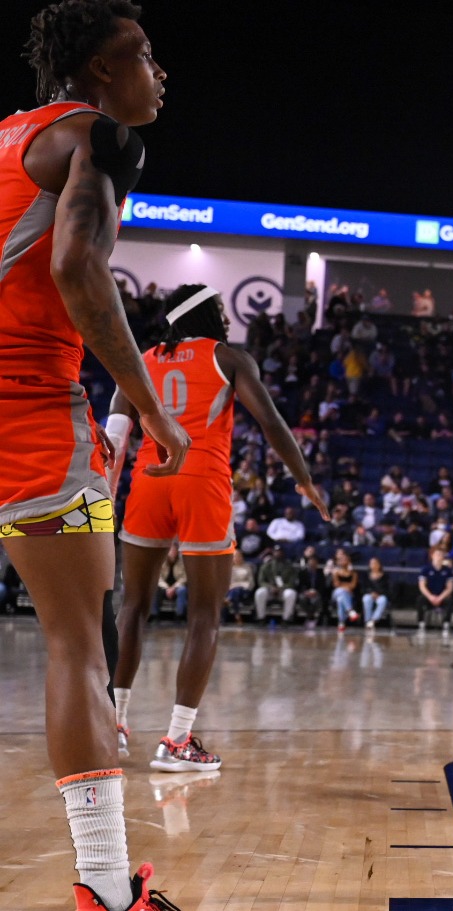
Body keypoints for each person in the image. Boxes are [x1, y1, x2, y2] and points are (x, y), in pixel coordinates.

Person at [7, 4, 192, 907]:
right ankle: (110, 889)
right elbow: (80, 271)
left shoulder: (7, 139)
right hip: (27, 412)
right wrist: (152, 410)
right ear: (96, 70)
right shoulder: (102, 139)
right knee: (78, 645)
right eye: (144, 55)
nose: (160, 71)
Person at [109, 284, 330, 774]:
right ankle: (177, 741)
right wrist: (305, 480)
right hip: (201, 481)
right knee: (204, 615)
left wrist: (105, 490)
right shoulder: (228, 357)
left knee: (133, 606)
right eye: (221, 311)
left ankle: (114, 723)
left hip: (147, 481)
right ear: (205, 314)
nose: (227, 321)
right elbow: (271, 423)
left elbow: (115, 435)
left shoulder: (139, 358)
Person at [360, 557, 390, 629]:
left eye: (375, 563)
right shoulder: (365, 575)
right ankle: (367, 620)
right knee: (366, 599)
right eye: (372, 563)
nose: (374, 565)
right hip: (369, 594)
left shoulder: (385, 576)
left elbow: (387, 589)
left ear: (379, 565)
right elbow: (363, 588)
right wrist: (371, 593)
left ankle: (373, 620)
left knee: (383, 600)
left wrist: (378, 594)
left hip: (381, 595)